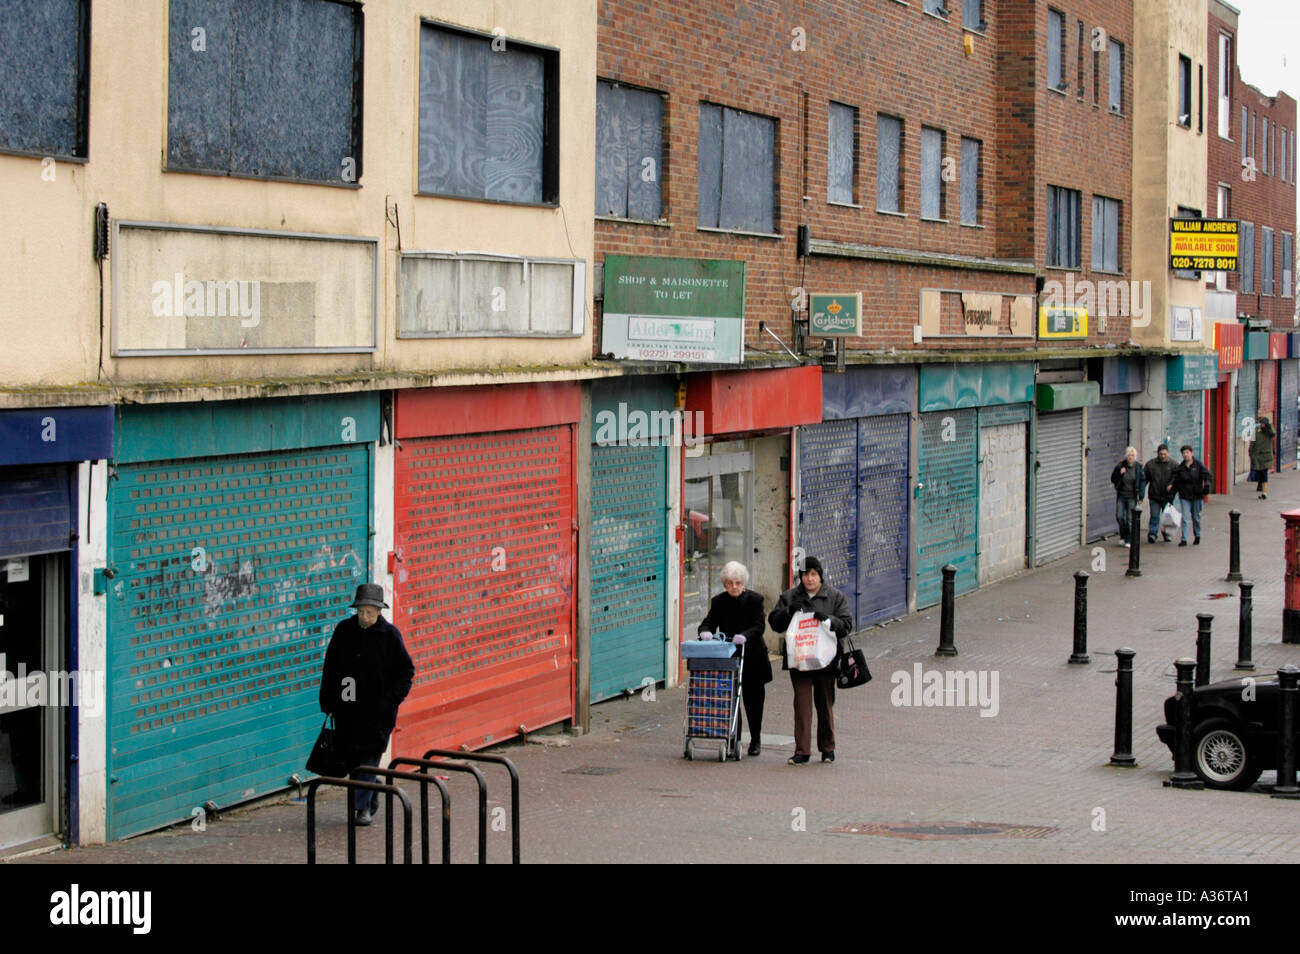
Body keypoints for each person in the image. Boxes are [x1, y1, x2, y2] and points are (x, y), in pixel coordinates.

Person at [320, 583, 415, 826]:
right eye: (361, 611)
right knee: (354, 761)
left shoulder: (391, 636)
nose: (365, 617)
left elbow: (406, 672)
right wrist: (328, 701)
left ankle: (361, 809)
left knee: (368, 760)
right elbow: (331, 667)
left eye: (370, 612)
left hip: (378, 715)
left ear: (379, 612)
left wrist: (389, 701)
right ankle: (370, 793)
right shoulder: (344, 631)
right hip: (348, 711)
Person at [767, 556, 852, 766]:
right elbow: (775, 623)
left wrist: (829, 620)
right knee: (802, 705)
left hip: (826, 660)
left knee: (825, 704)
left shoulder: (834, 596)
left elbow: (847, 625)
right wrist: (789, 611)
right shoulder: (789, 596)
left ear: (820, 576)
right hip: (800, 659)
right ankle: (802, 751)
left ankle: (827, 748)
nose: (809, 579)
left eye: (813, 574)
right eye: (805, 575)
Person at [697, 561, 770, 756]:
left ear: (743, 583)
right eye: (730, 583)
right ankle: (732, 737)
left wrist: (746, 635)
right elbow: (709, 622)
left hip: (752, 655)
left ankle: (755, 739)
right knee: (730, 700)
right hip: (730, 656)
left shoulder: (756, 600)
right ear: (725, 584)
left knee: (753, 701)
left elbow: (759, 625)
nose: (734, 587)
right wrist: (705, 632)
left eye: (737, 583)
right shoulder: (719, 601)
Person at [1171, 445, 1213, 547]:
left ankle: (1197, 535)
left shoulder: (1198, 465)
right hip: (1184, 496)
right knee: (1185, 518)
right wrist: (1171, 493)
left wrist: (1207, 485)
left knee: (1196, 517)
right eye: (1184, 453)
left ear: (1192, 453)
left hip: (1197, 495)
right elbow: (1176, 482)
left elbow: (1207, 476)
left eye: (1187, 452)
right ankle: (1184, 539)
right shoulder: (1180, 468)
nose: (1185, 455)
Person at [1110, 446, 1147, 547]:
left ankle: (1129, 539)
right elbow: (1113, 478)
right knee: (1119, 516)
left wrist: (1141, 497)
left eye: (1132, 455)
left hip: (1132, 496)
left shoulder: (1139, 468)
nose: (1130, 457)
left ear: (1135, 456)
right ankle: (1123, 535)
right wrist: (1119, 473)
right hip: (1121, 495)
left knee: (1130, 519)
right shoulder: (1120, 466)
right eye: (1129, 455)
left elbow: (1142, 482)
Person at [1144, 444, 1177, 544]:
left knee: (1168, 517)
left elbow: (1177, 479)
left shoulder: (1174, 465)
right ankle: (1152, 534)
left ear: (1168, 453)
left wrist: (1172, 487)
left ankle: (1167, 535)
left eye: (1165, 454)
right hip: (1155, 495)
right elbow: (1144, 479)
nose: (1163, 456)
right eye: (1161, 454)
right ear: (1158, 454)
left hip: (1167, 496)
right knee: (1154, 516)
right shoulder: (1150, 465)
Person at [1250, 416, 1275, 499]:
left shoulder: (1269, 432)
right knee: (1259, 473)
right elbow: (1252, 443)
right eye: (1261, 423)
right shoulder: (1257, 431)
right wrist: (1251, 453)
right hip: (1257, 456)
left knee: (1264, 473)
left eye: (1263, 423)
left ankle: (1264, 492)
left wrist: (1269, 425)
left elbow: (1273, 433)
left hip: (1266, 456)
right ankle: (1260, 486)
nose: (1262, 424)